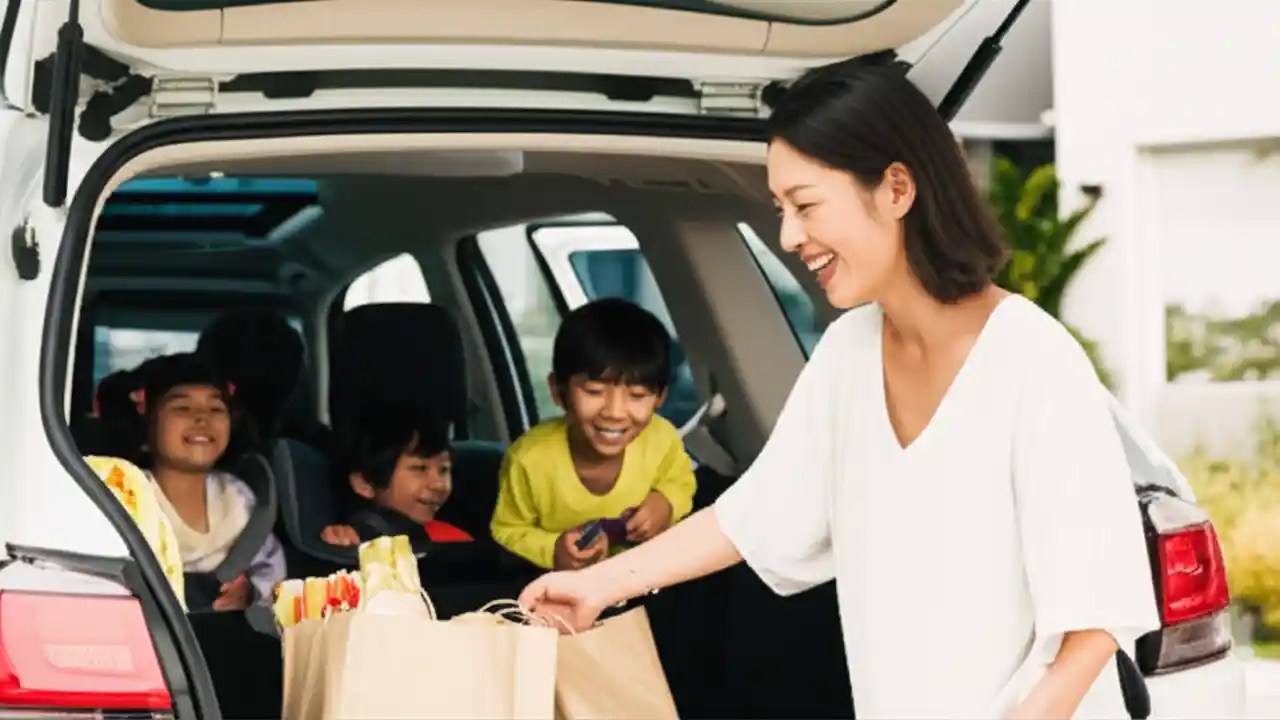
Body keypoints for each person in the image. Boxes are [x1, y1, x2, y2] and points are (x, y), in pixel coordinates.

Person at [518, 60, 1160, 719]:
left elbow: (1096, 609)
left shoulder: (1031, 358)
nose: (790, 237)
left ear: (897, 189)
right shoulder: (847, 356)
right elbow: (755, 516)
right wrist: (596, 585)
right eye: (779, 210)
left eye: (805, 204)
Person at [492, 298, 697, 571]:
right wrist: (553, 550)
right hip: (559, 594)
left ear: (660, 397)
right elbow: (508, 530)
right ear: (558, 390)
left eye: (636, 395)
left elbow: (682, 483)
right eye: (594, 392)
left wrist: (665, 504)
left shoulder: (662, 439)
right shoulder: (529, 460)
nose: (614, 412)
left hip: (640, 584)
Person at [135, 353, 286, 611]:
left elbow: (272, 573)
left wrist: (251, 591)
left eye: (216, 408)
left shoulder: (237, 497)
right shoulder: (128, 495)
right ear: (149, 421)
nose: (203, 418)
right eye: (183, 408)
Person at [320, 405, 472, 546]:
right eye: (420, 468)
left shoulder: (449, 537)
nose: (439, 485)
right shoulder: (352, 538)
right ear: (364, 484)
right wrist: (342, 540)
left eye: (444, 470)